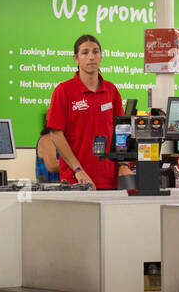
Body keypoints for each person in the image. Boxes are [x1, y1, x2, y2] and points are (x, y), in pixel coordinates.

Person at [45, 34, 131, 189]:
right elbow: (56, 135)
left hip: (109, 180)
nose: (91, 57)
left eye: (95, 51)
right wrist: (78, 170)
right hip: (76, 180)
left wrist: (123, 164)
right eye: (85, 52)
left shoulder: (111, 91)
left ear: (101, 56)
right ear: (76, 59)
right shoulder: (63, 91)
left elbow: (121, 130)